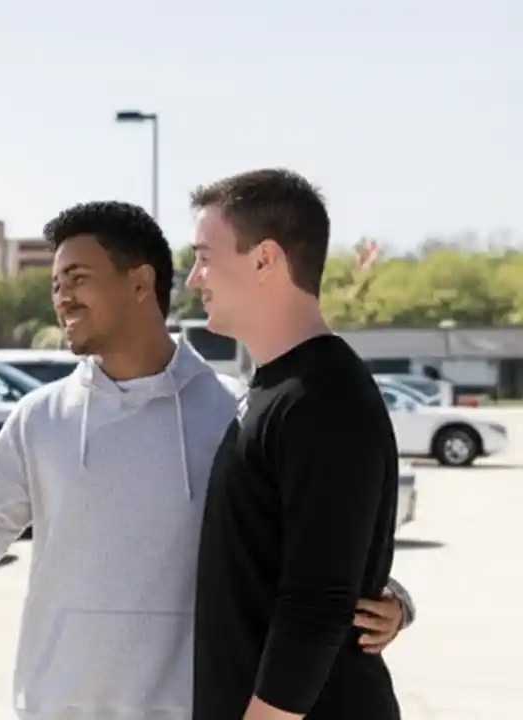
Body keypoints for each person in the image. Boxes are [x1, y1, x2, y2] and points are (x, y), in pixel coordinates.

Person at [0, 201, 412, 719]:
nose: (61, 298)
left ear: (140, 283)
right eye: (55, 284)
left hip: (196, 708)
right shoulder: (39, 418)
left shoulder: (232, 409)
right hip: (58, 708)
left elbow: (316, 544)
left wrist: (392, 601)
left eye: (76, 278)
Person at [187, 169, 403, 719]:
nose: (193, 278)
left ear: (265, 260)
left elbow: (316, 604)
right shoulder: (276, 390)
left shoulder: (322, 397)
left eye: (205, 256)